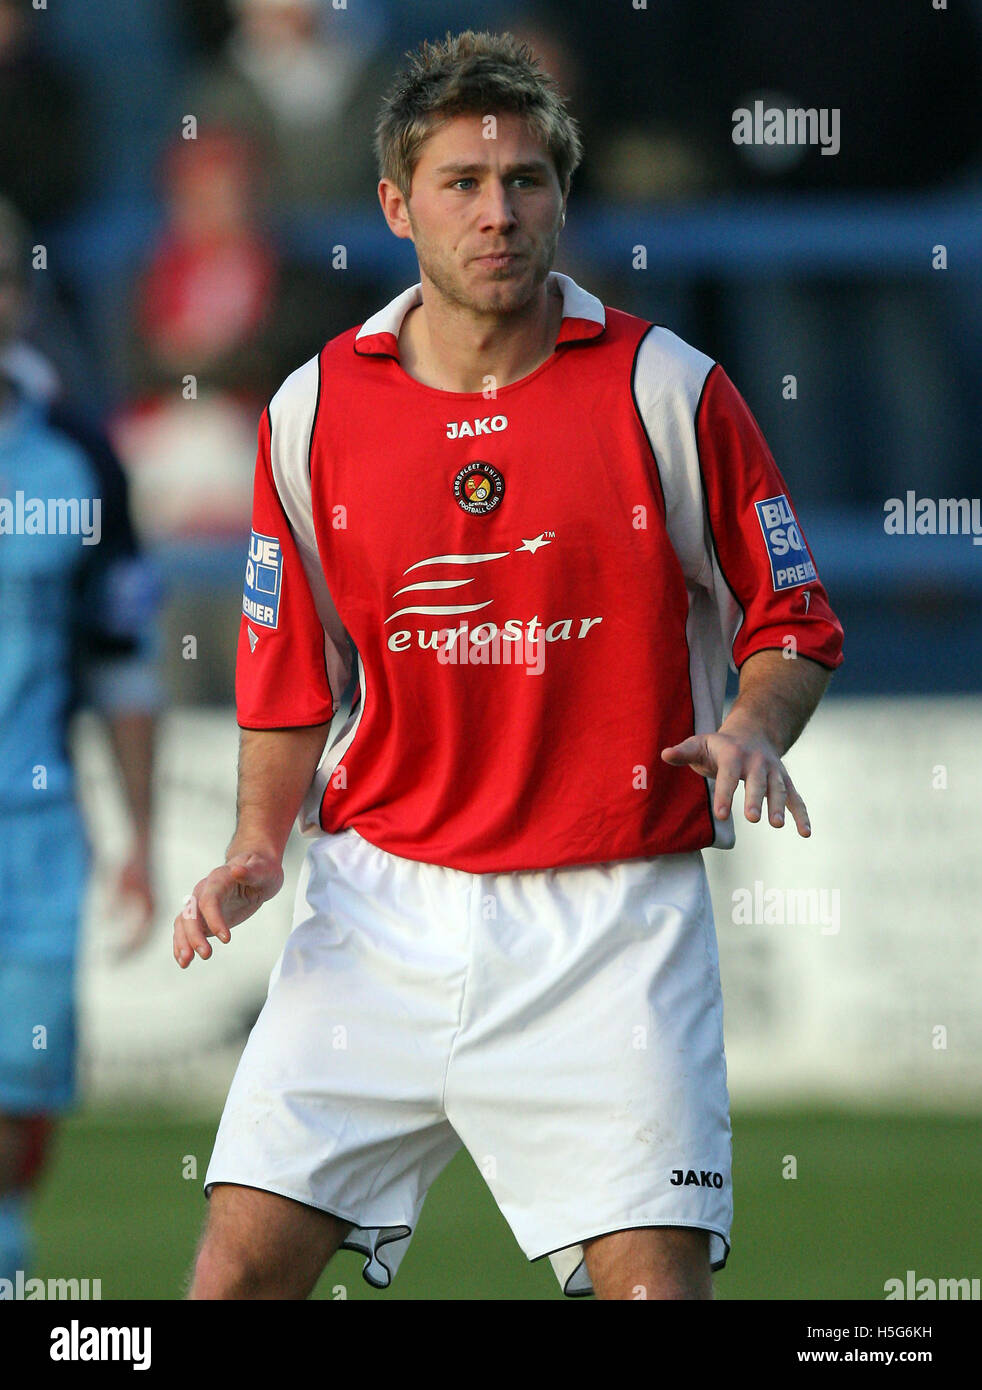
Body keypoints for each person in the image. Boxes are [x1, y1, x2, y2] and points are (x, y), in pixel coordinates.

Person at [174, 30, 844, 1301]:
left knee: (659, 1292)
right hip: (378, 910)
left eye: (526, 181)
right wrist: (260, 847)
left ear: (561, 197)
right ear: (394, 203)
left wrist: (756, 723)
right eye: (463, 184)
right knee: (233, 1280)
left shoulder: (668, 390)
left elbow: (793, 618)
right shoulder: (311, 410)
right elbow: (286, 680)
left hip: (612, 923)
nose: (499, 212)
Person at [0, 198, 162, 1281]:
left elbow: (122, 657)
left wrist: (140, 833)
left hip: (37, 830)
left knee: (20, 1099)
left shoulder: (76, 458)